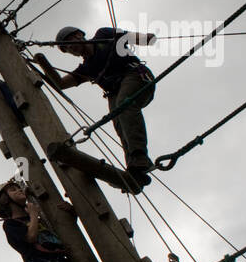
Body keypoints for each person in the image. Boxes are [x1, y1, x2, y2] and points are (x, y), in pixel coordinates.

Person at [33, 26, 158, 175]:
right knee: (118, 121)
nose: (70, 47)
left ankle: (139, 156)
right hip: (116, 91)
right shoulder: (87, 68)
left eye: (69, 41)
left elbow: (131, 37)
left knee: (123, 105)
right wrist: (43, 64)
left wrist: (146, 38)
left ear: (79, 34)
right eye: (66, 48)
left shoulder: (104, 36)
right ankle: (135, 166)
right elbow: (61, 84)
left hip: (135, 75)